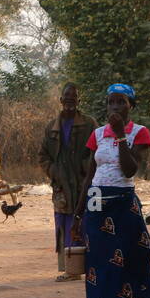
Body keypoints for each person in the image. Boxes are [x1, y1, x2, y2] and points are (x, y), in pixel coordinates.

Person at [70, 83, 150, 298]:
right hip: (96, 204)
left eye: (121, 102)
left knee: (123, 266)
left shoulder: (139, 133)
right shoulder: (97, 134)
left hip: (123, 204)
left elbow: (130, 170)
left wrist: (120, 136)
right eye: (111, 102)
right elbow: (89, 177)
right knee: (98, 269)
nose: (115, 107)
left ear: (132, 105)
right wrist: (78, 214)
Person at [38, 83, 97, 281]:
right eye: (67, 96)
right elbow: (43, 156)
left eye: (74, 96)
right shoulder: (51, 128)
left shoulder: (89, 124)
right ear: (61, 100)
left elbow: (96, 150)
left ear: (79, 101)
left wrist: (85, 167)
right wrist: (55, 172)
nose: (70, 99)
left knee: (86, 223)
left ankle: (90, 268)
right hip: (61, 187)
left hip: (84, 184)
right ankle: (70, 270)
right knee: (63, 225)